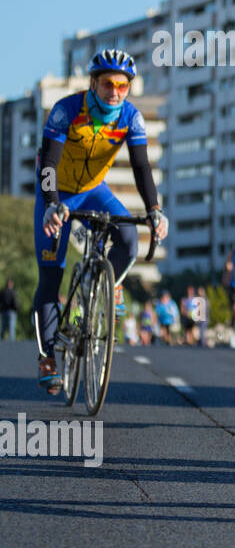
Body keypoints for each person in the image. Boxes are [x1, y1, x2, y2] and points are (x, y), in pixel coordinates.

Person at [32, 49, 168, 393]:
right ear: (93, 83)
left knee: (127, 239)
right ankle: (48, 356)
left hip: (94, 190)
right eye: (108, 84)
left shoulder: (130, 118)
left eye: (123, 86)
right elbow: (48, 162)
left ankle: (109, 283)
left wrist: (154, 210)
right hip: (56, 194)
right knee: (51, 274)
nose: (115, 92)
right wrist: (51, 205)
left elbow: (140, 167)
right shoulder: (66, 111)